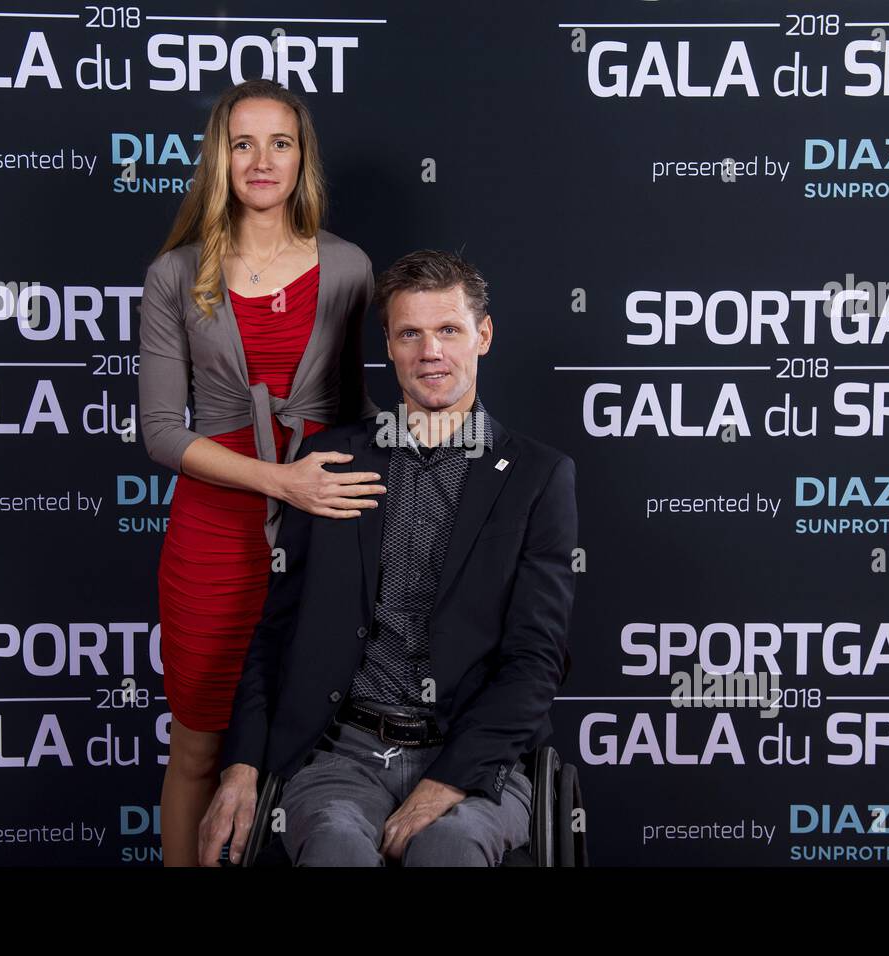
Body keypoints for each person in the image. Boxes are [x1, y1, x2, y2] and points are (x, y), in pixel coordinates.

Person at [199, 249, 579, 866]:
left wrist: (446, 782)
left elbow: (536, 662)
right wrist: (240, 768)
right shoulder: (333, 463)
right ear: (390, 346)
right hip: (343, 751)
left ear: (483, 335)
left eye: (448, 330)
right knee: (335, 849)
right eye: (410, 334)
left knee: (448, 847)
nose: (430, 352)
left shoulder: (537, 477)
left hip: (477, 757)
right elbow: (276, 632)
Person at [137, 78, 386, 866]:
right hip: (213, 542)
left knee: (320, 753)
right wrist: (282, 482)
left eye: (280, 142)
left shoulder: (347, 267)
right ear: (221, 157)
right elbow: (159, 433)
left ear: (301, 155)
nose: (261, 160)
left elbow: (357, 406)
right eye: (243, 143)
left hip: (324, 531)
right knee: (199, 753)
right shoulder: (175, 275)